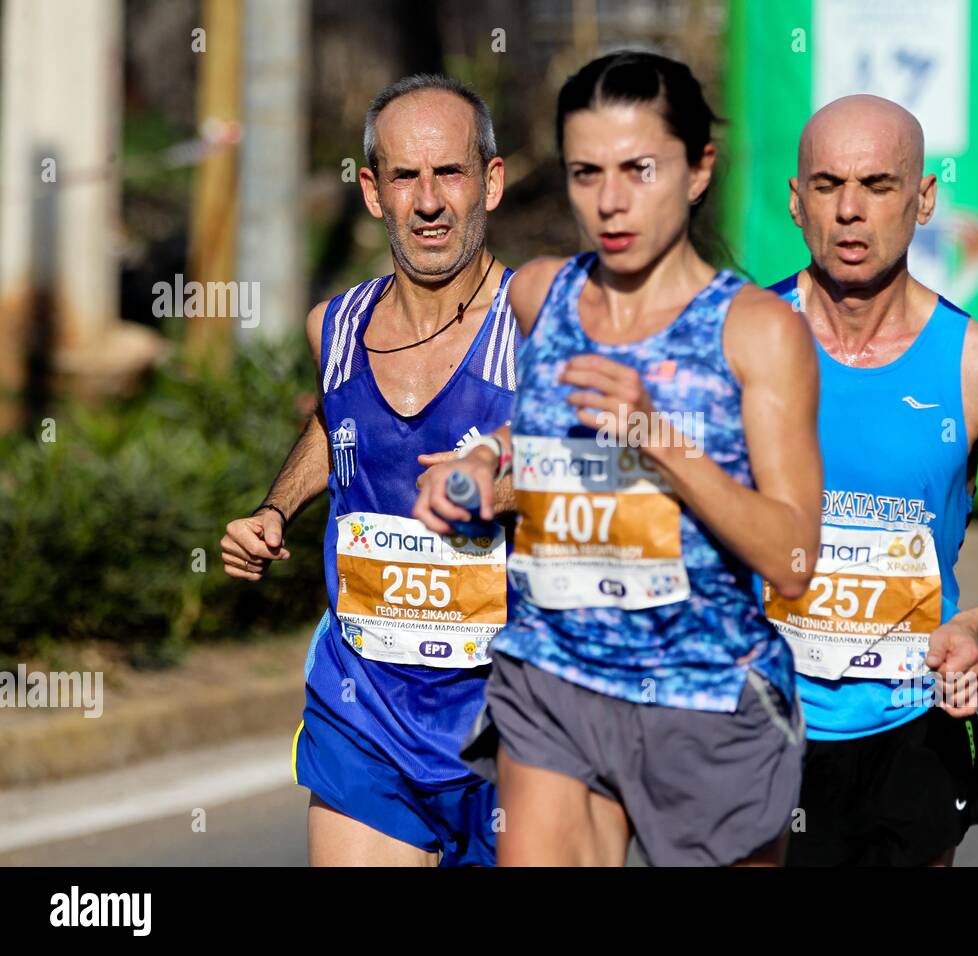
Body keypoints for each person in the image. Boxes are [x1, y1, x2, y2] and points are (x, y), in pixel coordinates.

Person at [412, 51, 822, 867]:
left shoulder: (755, 332)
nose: (610, 201)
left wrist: (658, 439)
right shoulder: (539, 294)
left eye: (640, 169)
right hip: (552, 677)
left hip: (704, 695)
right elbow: (543, 447)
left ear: (699, 169)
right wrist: (483, 475)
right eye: (585, 172)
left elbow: (793, 558)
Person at [762, 94, 978, 867]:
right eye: (827, 185)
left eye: (878, 186)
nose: (849, 211)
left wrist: (977, 628)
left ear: (924, 199)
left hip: (909, 725)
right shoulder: (741, 340)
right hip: (760, 722)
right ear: (795, 201)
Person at [220, 73, 519, 866]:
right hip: (366, 716)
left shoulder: (539, 327)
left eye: (449, 173)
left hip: (516, 724)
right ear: (371, 190)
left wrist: (503, 475)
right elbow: (336, 424)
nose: (428, 202)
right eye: (404, 177)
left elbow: (594, 462)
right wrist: (275, 510)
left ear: (490, 180)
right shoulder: (337, 326)